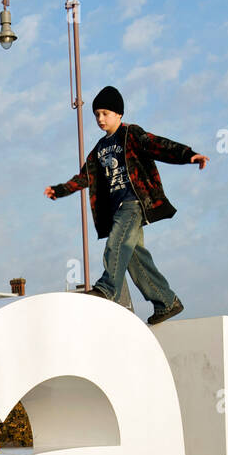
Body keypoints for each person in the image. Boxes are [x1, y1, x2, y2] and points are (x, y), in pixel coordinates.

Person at [45, 85, 208, 324]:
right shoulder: (99, 150)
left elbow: (158, 145)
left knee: (116, 243)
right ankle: (166, 301)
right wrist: (60, 190)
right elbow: (85, 177)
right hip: (115, 209)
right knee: (135, 258)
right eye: (97, 114)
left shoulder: (131, 133)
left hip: (134, 203)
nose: (100, 119)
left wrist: (188, 155)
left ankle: (107, 288)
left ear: (119, 114)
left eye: (105, 113)